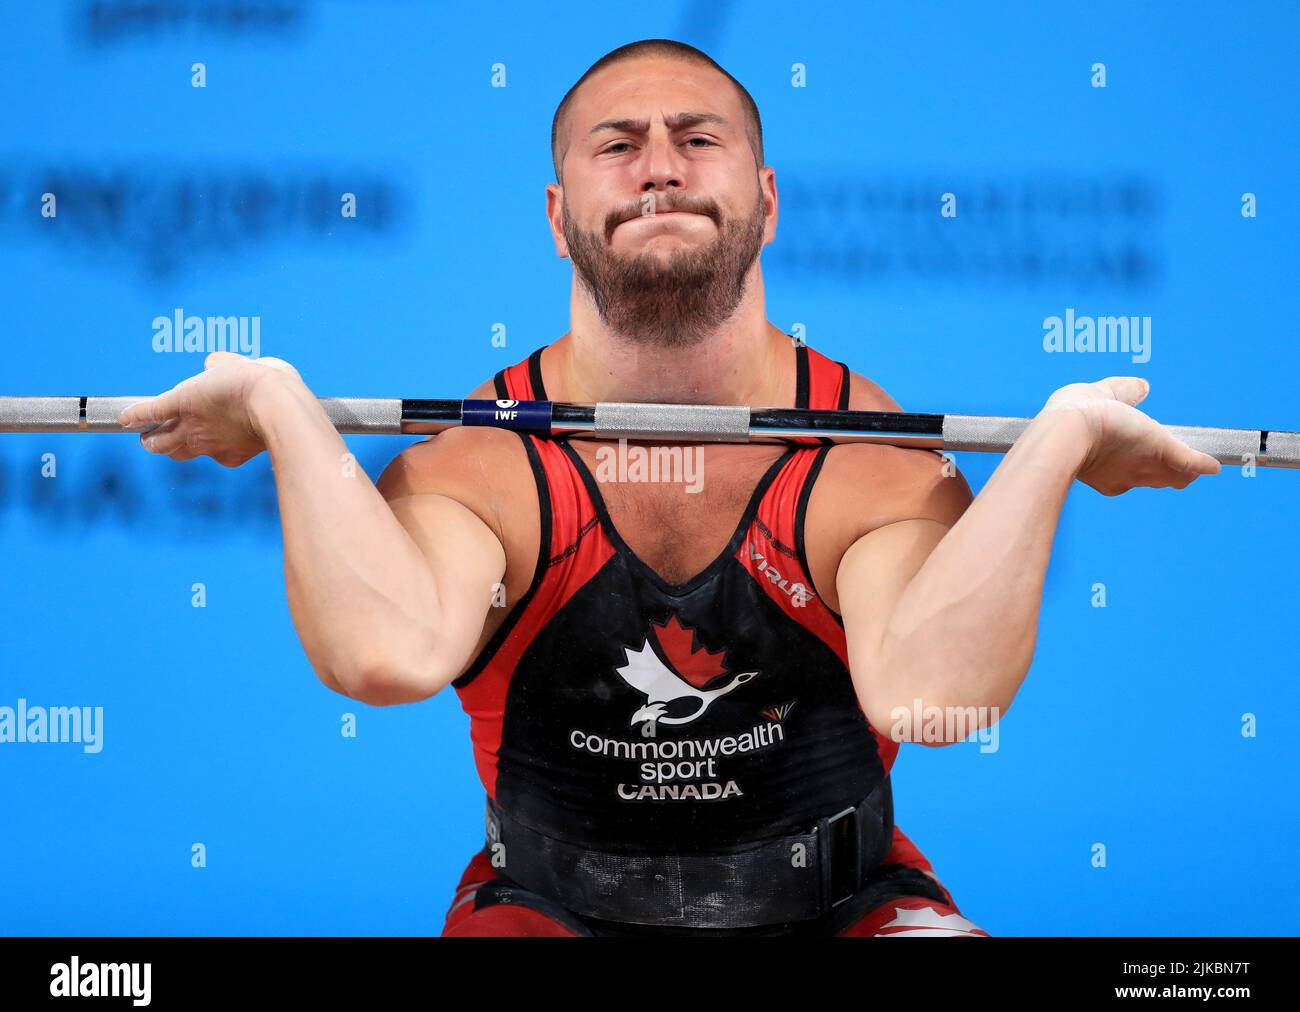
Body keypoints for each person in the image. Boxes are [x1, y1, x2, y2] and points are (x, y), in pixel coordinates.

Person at [119, 39, 1219, 937]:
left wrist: (1056, 447)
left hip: (849, 911)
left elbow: (935, 699)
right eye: (620, 144)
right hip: (546, 911)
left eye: (699, 140)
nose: (660, 167)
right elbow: (384, 655)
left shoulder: (865, 454)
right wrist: (279, 408)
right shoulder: (479, 461)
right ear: (556, 214)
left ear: (767, 199)